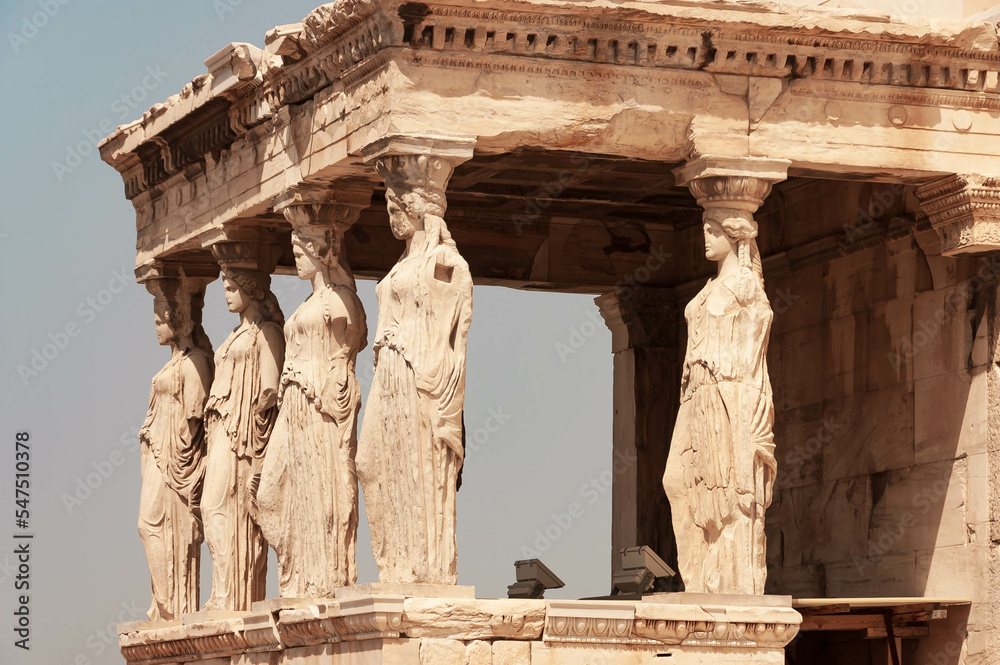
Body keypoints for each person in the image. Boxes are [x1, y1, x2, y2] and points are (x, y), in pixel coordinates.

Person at [662, 207, 777, 595]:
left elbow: (753, 346)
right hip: (696, 394)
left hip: (726, 395)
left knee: (726, 493)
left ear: (735, 236)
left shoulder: (746, 285)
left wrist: (745, 413)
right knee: (676, 482)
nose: (706, 237)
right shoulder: (710, 288)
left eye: (713, 231)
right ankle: (699, 580)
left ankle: (725, 583)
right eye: (705, 230)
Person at [258, 221, 367, 597]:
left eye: (301, 252)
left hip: (319, 403)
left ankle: (322, 578)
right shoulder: (309, 303)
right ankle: (299, 575)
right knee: (270, 494)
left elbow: (349, 348)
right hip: (294, 404)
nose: (296, 259)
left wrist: (335, 390)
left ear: (321, 253)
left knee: (321, 488)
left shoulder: (338, 299)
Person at [202, 246, 284, 611]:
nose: (227, 294)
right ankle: (224, 591)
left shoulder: (267, 331)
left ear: (251, 289)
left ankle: (233, 595)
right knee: (214, 506)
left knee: (220, 504)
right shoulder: (235, 334)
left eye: (233, 288)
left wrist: (258, 420)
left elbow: (272, 386)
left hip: (244, 433)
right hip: (221, 427)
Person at [138, 277, 213, 621]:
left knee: (152, 524)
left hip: (176, 460)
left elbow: (196, 418)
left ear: (177, 320)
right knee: (149, 525)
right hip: (158, 454)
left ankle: (172, 603)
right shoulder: (173, 362)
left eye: (159, 320)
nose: (155, 328)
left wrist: (188, 459)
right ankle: (163, 600)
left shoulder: (193, 361)